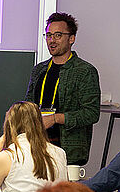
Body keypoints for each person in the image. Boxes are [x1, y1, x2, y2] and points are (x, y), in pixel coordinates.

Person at [24, 12, 100, 166]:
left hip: (67, 151)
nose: (52, 40)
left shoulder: (84, 71)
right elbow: (29, 104)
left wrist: (55, 118)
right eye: (49, 35)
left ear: (71, 38)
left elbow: (91, 114)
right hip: (37, 145)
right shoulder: (39, 70)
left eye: (58, 35)